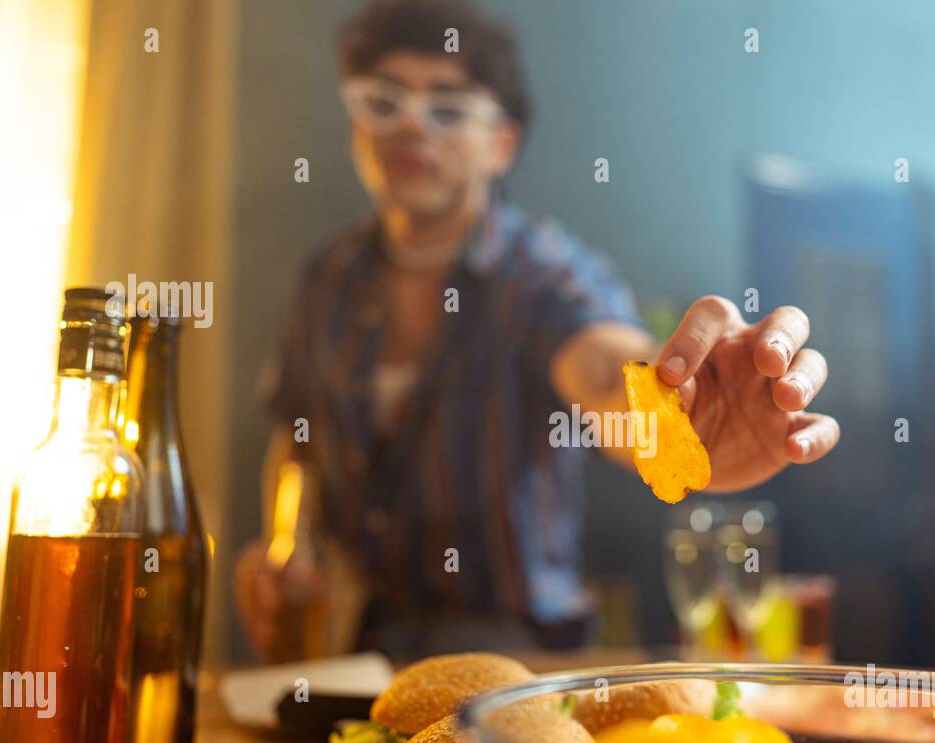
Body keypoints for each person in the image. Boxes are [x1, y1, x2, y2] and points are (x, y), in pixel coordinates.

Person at [234, 0, 839, 662]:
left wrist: (674, 422)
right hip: (345, 653)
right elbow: (291, 436)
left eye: (446, 108)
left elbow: (606, 370)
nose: (410, 127)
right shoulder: (327, 278)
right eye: (384, 102)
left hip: (514, 661)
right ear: (356, 124)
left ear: (501, 144)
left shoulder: (540, 273)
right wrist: (280, 545)